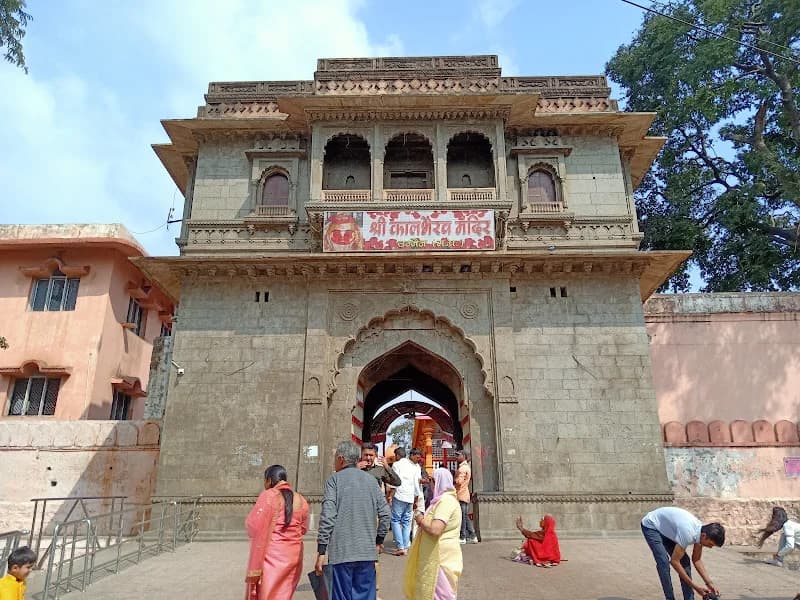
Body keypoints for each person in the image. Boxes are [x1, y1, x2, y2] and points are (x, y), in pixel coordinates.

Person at [315, 440, 391, 600]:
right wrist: (378, 540)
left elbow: (327, 517)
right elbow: (385, 514)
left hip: (341, 554)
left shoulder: (333, 481)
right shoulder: (371, 481)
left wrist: (321, 550)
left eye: (335, 458)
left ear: (341, 459)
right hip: (367, 553)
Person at [245, 464, 310, 600]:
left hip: (271, 558)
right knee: (284, 595)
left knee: (268, 595)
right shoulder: (301, 499)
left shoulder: (269, 495)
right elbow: (303, 529)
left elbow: (253, 526)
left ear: (269, 480)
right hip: (294, 557)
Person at [641, 506, 725, 600]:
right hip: (651, 526)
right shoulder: (688, 533)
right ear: (704, 536)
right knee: (663, 562)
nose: (710, 547)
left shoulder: (700, 533)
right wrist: (695, 587)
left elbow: (696, 560)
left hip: (668, 530)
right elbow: (674, 562)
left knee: (685, 562)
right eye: (710, 544)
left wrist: (710, 583)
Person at [403, 468, 463, 600]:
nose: (429, 485)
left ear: (437, 482)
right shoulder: (443, 501)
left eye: (431, 481)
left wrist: (420, 520)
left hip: (441, 558)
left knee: (441, 595)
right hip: (438, 555)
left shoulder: (446, 502)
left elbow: (436, 529)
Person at [391, 447, 423, 555]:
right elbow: (416, 484)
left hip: (399, 496)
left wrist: (390, 496)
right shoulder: (415, 467)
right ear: (411, 455)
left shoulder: (396, 465)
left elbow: (394, 481)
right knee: (406, 522)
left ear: (397, 455)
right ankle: (404, 546)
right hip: (410, 497)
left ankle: (400, 546)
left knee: (395, 520)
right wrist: (416, 498)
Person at [454, 450, 478, 544]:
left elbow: (458, 482)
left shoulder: (462, 468)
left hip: (461, 494)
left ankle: (463, 536)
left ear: (463, 456)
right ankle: (473, 535)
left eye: (458, 455)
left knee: (462, 517)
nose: (456, 457)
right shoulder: (465, 467)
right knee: (465, 516)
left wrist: (455, 478)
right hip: (464, 494)